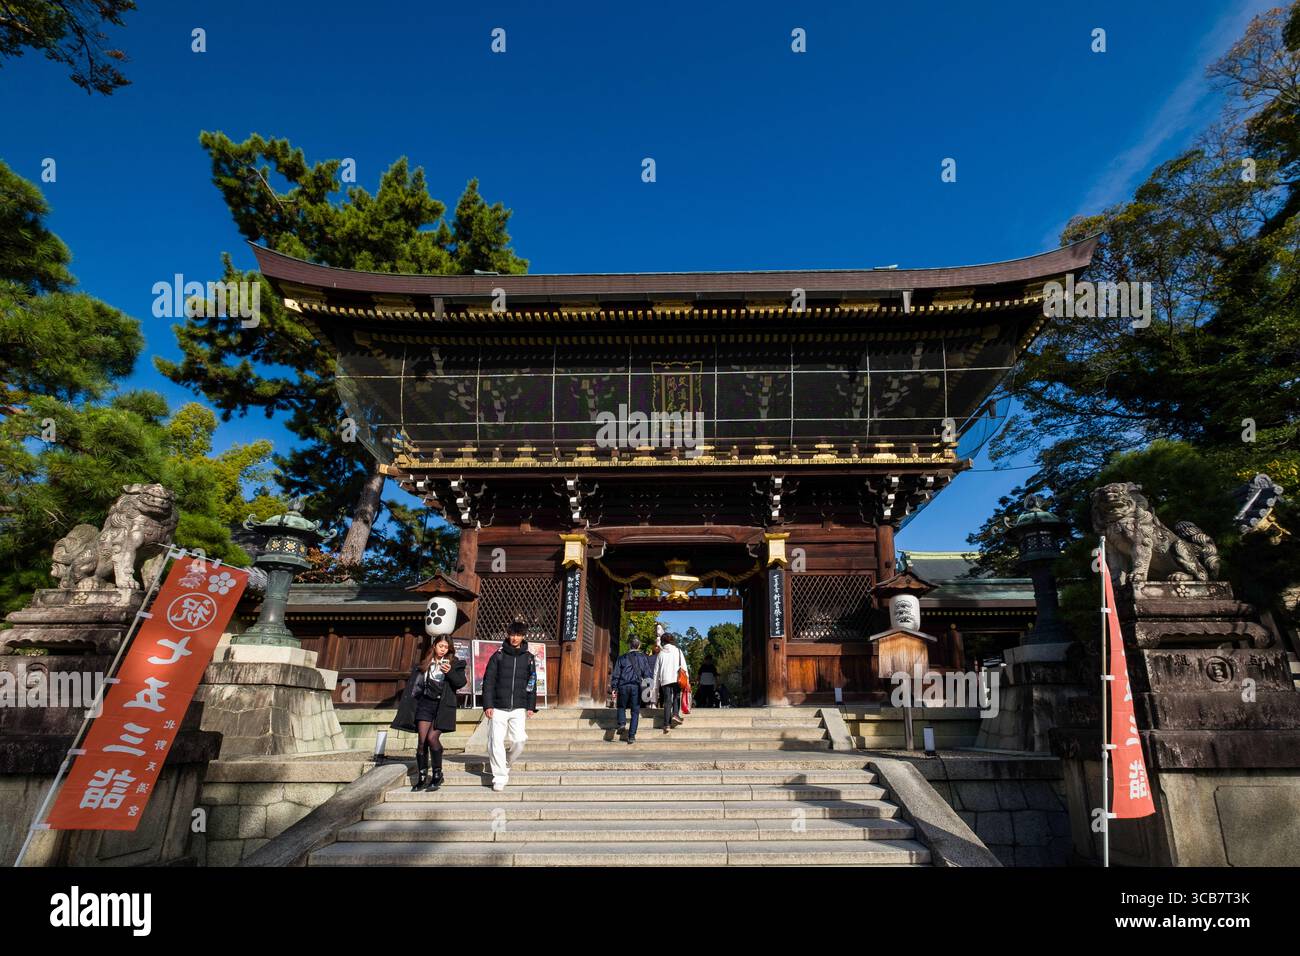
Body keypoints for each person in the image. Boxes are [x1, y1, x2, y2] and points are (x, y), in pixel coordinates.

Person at [392, 635, 467, 791]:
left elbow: (461, 683)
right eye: (440, 646)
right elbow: (416, 686)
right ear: (434, 646)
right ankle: (422, 777)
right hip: (425, 704)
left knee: (432, 738)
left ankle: (437, 774)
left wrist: (450, 672)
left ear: (450, 649)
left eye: (446, 647)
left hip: (443, 706)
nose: (443, 649)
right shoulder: (425, 663)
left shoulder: (456, 664)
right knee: (422, 741)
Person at [482, 617, 538, 792]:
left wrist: (530, 705)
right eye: (512, 634)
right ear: (507, 635)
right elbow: (488, 681)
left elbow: (532, 682)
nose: (515, 638)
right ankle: (499, 776)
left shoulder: (528, 658)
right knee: (496, 741)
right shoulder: (498, 655)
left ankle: (506, 761)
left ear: (523, 636)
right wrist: (488, 705)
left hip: (519, 706)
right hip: (498, 706)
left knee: (520, 740)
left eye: (518, 635)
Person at [609, 637, 655, 744]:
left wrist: (614, 687)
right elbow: (647, 673)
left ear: (630, 645)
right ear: (638, 646)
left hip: (623, 685)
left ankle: (622, 723)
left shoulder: (622, 658)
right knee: (635, 711)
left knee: (621, 706)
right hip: (636, 687)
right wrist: (649, 687)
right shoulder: (643, 658)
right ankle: (631, 736)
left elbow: (616, 674)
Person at [654, 633, 688, 732]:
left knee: (667, 701)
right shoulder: (678, 651)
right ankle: (676, 714)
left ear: (663, 641)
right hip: (677, 678)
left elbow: (656, 671)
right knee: (677, 696)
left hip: (665, 680)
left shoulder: (660, 653)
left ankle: (667, 724)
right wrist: (688, 680)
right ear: (672, 640)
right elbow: (684, 667)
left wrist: (655, 686)